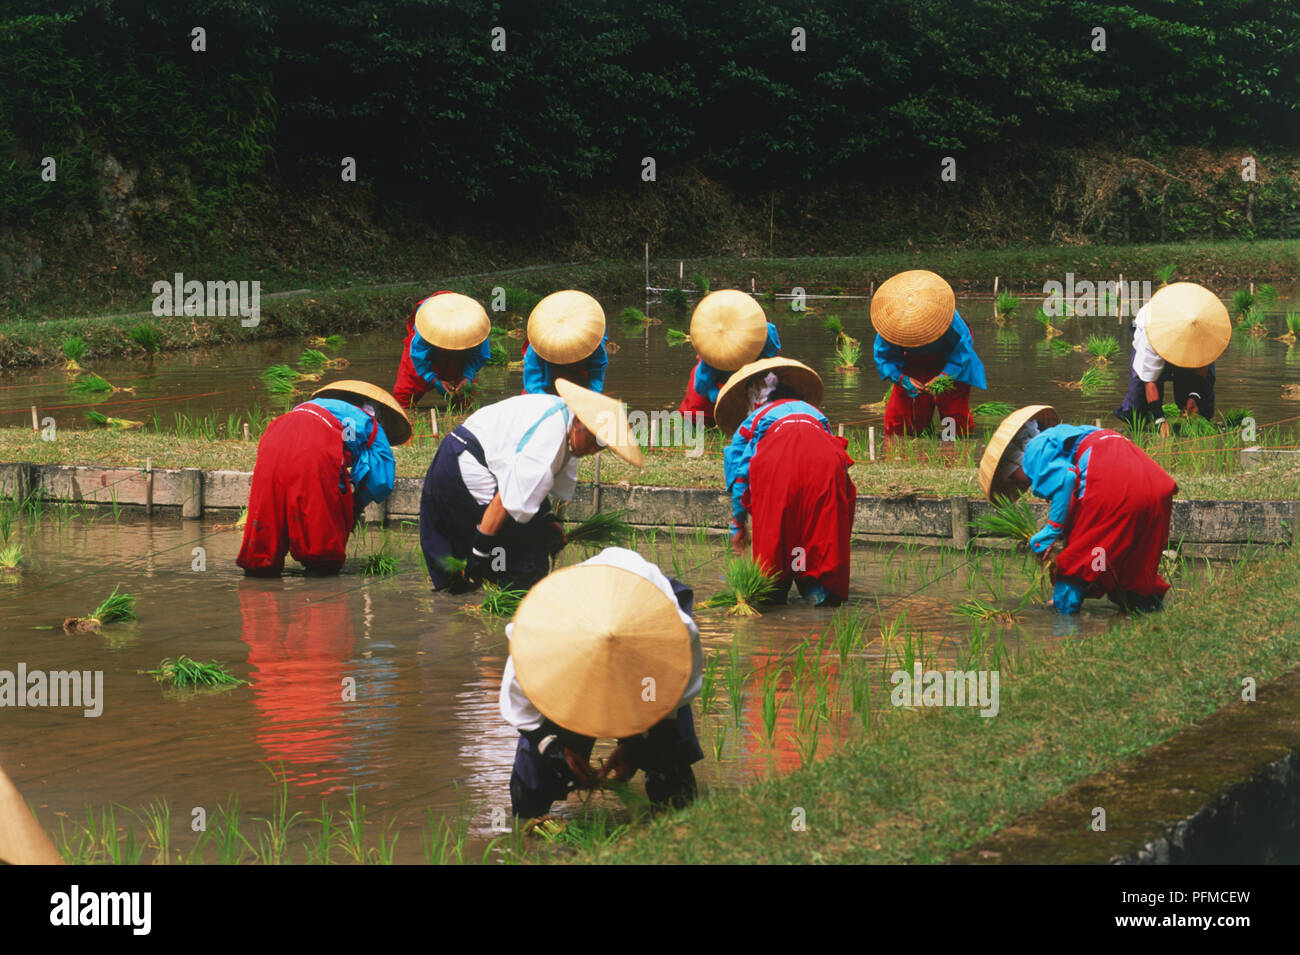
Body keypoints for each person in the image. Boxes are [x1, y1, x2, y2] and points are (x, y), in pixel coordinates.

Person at [499, 547, 704, 819]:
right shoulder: (539, 636)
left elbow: (669, 702)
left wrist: (635, 744)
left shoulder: (672, 638)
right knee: (538, 769)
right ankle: (528, 819)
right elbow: (520, 706)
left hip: (645, 625)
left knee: (665, 749)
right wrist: (553, 747)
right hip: (579, 620)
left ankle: (677, 819)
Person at [419, 378, 643, 592]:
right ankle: (493, 597)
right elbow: (502, 504)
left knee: (524, 553)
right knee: (520, 563)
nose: (593, 450)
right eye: (593, 441)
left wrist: (549, 522)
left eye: (601, 447)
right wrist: (479, 558)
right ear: (580, 423)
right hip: (465, 466)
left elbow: (534, 486)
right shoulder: (549, 439)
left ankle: (484, 591)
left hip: (485, 464)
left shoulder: (566, 426)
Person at [978, 405, 1177, 614]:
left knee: (1077, 559)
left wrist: (1052, 530)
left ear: (1013, 462)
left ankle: (1066, 624)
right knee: (1132, 565)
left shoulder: (1033, 450)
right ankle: (1147, 609)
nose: (1023, 485)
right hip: (1154, 486)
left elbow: (1066, 478)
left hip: (1113, 484)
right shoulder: (1074, 434)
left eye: (1012, 479)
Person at [716, 357, 856, 607]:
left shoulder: (755, 419)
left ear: (757, 396)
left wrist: (738, 524)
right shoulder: (816, 414)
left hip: (777, 461)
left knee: (777, 528)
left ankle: (774, 587)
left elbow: (740, 475)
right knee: (820, 525)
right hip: (826, 463)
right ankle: (817, 588)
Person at [237, 381, 410, 576]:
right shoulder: (370, 423)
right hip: (316, 444)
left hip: (275, 436)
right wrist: (355, 507)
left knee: (268, 514)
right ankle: (321, 576)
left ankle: (259, 569)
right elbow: (381, 481)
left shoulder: (309, 407)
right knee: (321, 545)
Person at [871, 269, 987, 437]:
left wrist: (943, 377)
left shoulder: (949, 319)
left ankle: (952, 448)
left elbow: (962, 354)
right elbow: (884, 357)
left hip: (950, 362)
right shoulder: (890, 322)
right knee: (903, 418)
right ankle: (910, 447)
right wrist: (902, 378)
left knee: (953, 415)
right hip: (913, 362)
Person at [1114, 282, 1230, 436]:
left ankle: (1192, 417)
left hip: (1193, 329)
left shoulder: (1204, 332)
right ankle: (1145, 429)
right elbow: (1150, 382)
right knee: (1137, 409)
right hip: (1149, 333)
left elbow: (1202, 368)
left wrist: (1193, 396)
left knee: (1201, 408)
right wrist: (1159, 419)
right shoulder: (1151, 338)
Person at [679, 289, 781, 427]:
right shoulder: (712, 350)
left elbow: (772, 358)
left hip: (750, 380)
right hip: (720, 393)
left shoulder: (764, 332)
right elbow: (703, 385)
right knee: (697, 415)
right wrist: (721, 397)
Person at [391, 291, 493, 410]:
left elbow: (479, 356)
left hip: (460, 359)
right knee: (402, 401)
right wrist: (433, 379)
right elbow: (417, 356)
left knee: (464, 401)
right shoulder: (429, 323)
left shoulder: (474, 326)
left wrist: (468, 377)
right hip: (426, 358)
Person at [521, 290, 608, 394]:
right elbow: (533, 385)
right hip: (544, 389)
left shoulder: (591, 338)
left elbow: (597, 372)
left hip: (580, 385)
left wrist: (591, 396)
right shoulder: (539, 343)